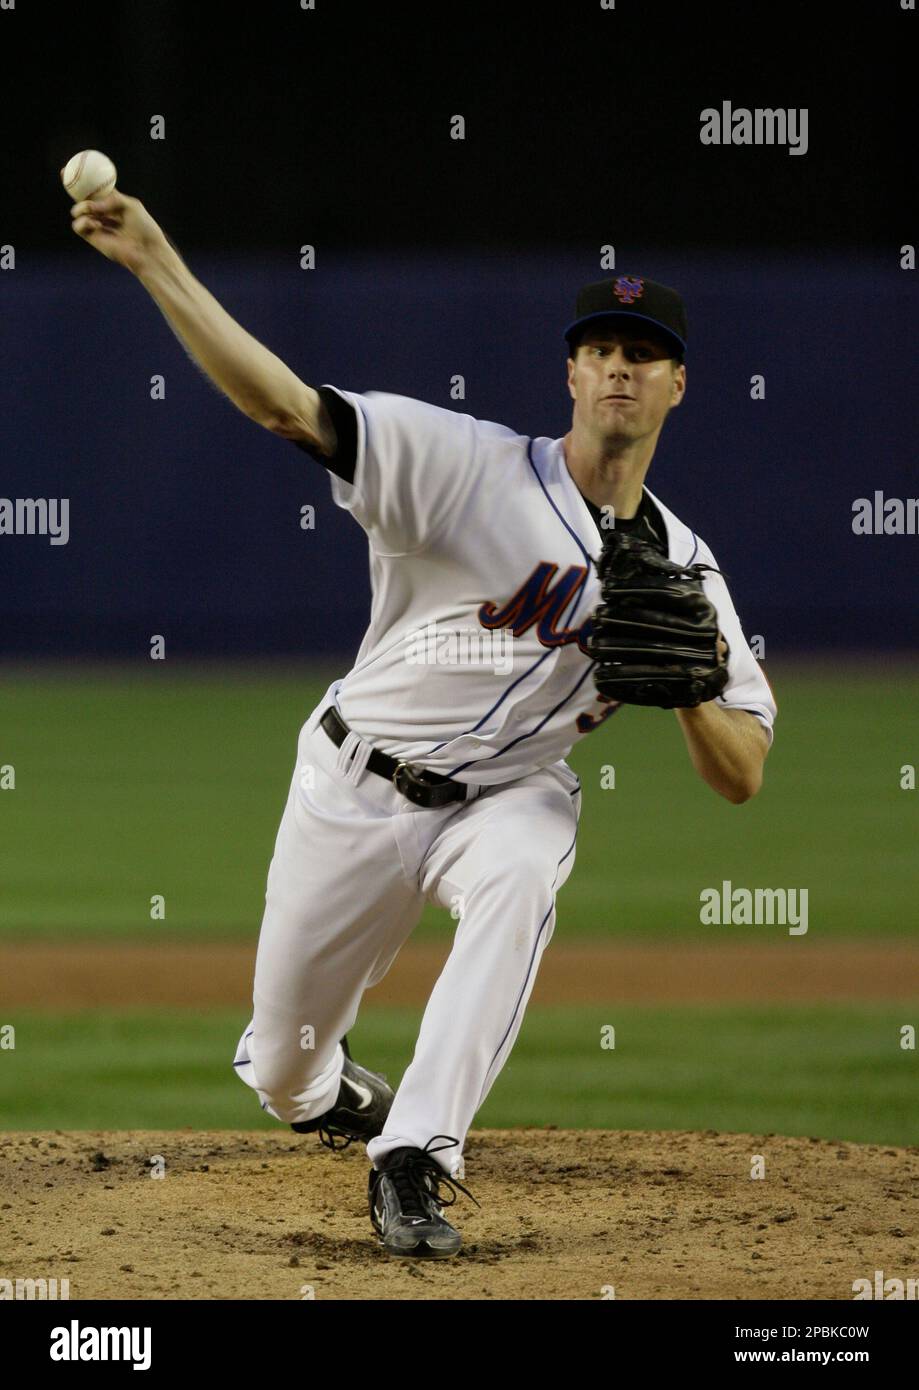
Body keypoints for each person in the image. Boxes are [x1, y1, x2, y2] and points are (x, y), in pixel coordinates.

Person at [71, 193, 777, 1259]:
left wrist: (684, 689)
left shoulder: (689, 568)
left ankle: (414, 1158)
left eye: (644, 351)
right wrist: (157, 261)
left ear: (678, 383)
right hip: (353, 785)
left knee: (522, 873)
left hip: (511, 798)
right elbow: (285, 407)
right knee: (280, 1073)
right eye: (600, 348)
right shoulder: (464, 467)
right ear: (571, 376)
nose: (620, 366)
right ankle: (323, 1087)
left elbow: (743, 771)